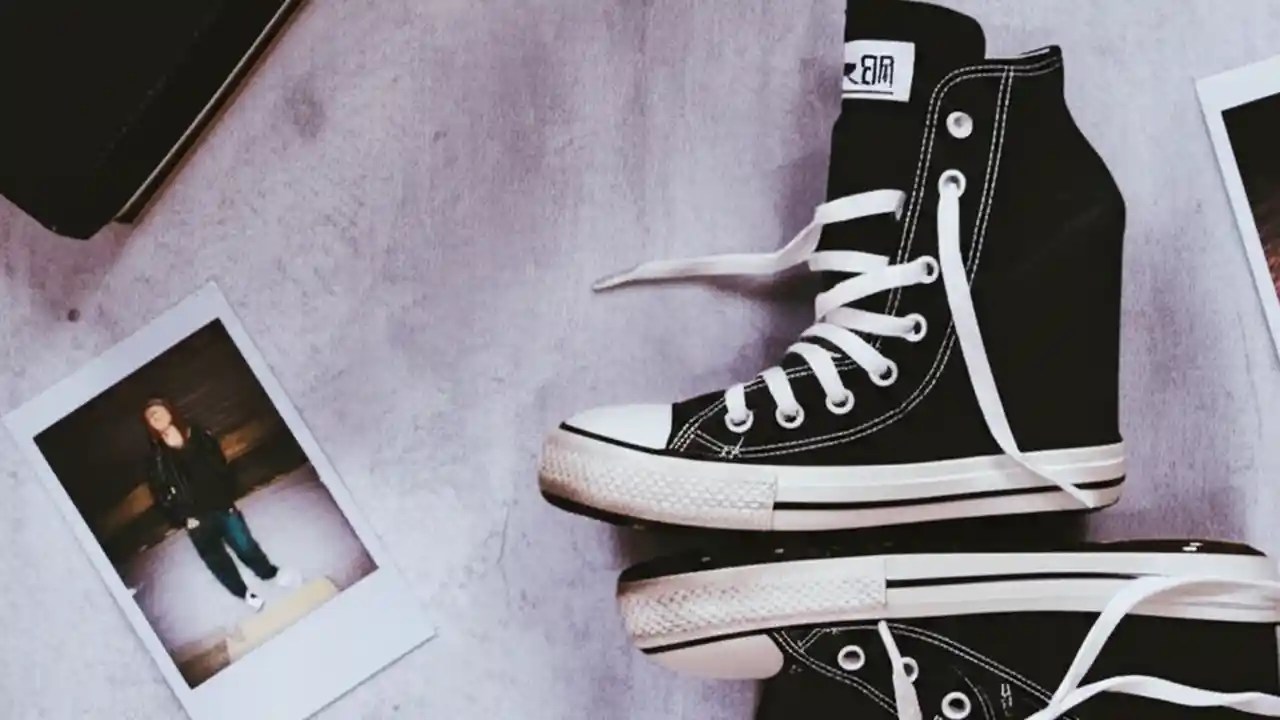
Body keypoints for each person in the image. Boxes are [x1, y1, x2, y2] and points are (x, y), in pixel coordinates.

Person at [142, 398, 297, 611]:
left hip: (220, 505)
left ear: (170, 412)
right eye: (150, 416)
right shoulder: (157, 457)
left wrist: (225, 494)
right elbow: (160, 495)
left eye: (157, 411)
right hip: (195, 519)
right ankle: (244, 593)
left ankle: (269, 573)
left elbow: (220, 465)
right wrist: (183, 518)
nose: (154, 417)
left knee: (245, 544)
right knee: (216, 560)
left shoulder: (197, 435)